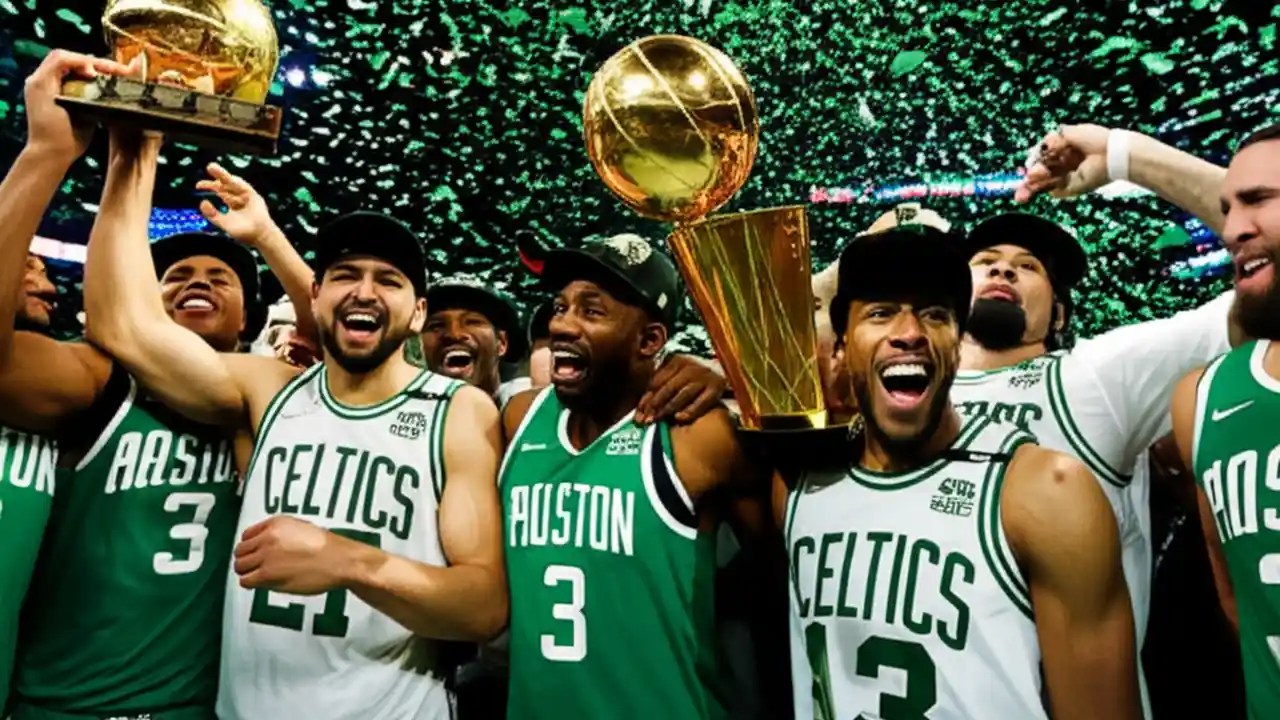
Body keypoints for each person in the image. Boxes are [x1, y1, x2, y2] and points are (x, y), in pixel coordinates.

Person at [83, 124, 508, 719]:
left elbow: (483, 606)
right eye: (344, 276)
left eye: (388, 281)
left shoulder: (458, 410)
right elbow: (120, 326)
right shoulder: (269, 389)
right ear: (316, 296)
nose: (364, 292)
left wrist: (349, 562)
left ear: (417, 316)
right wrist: (135, 153)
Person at [3, 110, 319, 720]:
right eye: (174, 276)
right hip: (61, 706)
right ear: (142, 299)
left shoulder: (263, 397)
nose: (196, 282)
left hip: (198, 707)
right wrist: (127, 152)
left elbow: (352, 355)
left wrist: (268, 239)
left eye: (219, 277)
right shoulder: (98, 378)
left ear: (250, 322)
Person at [786, 226, 1140, 719]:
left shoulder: (1044, 492)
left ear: (957, 344)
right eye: (881, 312)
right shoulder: (797, 487)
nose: (909, 332)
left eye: (935, 314)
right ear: (842, 347)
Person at [501, 234, 756, 719]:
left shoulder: (696, 436)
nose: (563, 325)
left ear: (650, 341)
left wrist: (731, 379)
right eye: (560, 307)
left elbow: (782, 573)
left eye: (591, 311)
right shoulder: (519, 420)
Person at [0, 48, 132, 711]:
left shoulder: (46, 380)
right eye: (30, 261)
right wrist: (44, 156)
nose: (48, 281)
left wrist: (128, 157)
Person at [1169, 123, 1280, 720]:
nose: (1233, 229)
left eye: (1259, 199)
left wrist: (1121, 155)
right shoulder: (1201, 399)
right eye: (1226, 208)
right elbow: (1241, 603)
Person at [420, 274, 525, 400]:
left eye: (472, 322)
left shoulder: (531, 410)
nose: (454, 335)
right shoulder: (402, 415)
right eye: (436, 325)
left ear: (502, 343)